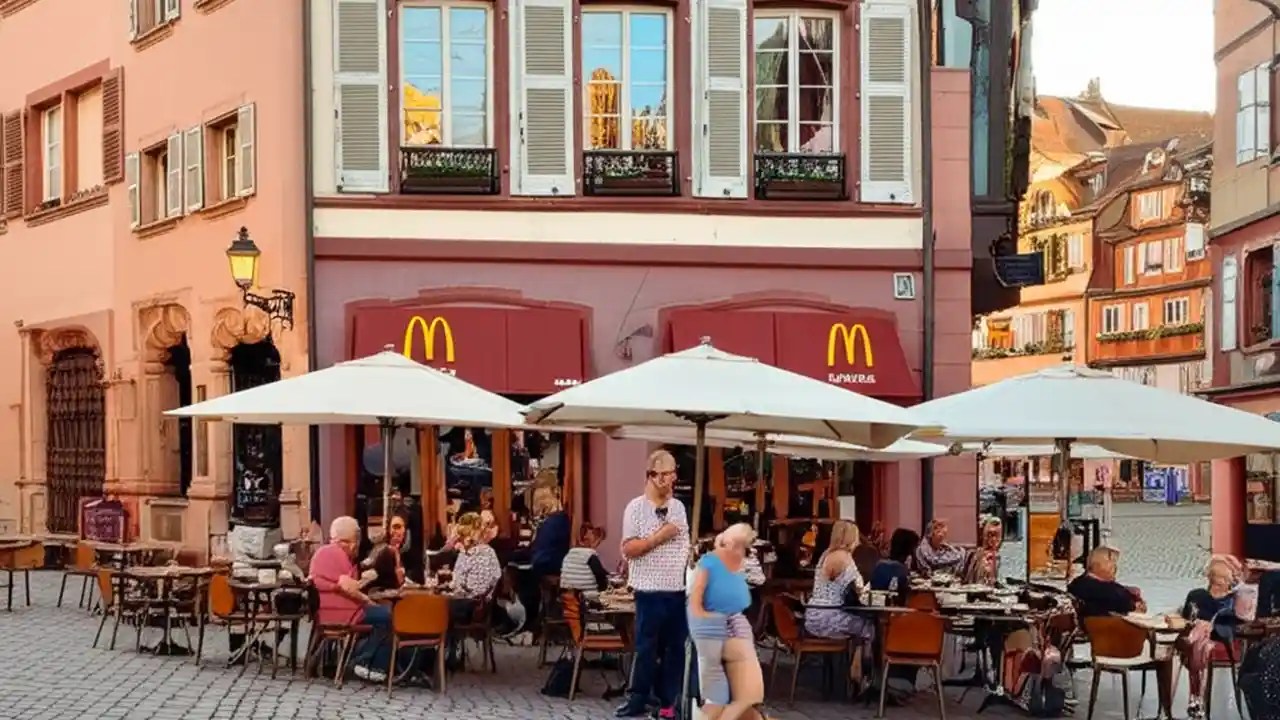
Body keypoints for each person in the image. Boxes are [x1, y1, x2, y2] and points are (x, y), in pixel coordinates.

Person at [616, 449, 691, 719]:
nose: (667, 480)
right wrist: (660, 537)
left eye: (671, 474)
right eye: (662, 474)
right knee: (646, 648)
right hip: (648, 590)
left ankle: (668, 701)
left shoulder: (679, 508)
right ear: (651, 475)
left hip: (676, 590)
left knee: (674, 650)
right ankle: (637, 699)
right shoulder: (635, 508)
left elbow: (683, 543)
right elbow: (629, 549)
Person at [688, 523, 765, 720]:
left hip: (709, 632)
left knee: (725, 698)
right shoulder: (739, 563)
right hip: (733, 631)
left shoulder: (705, 563)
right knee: (746, 698)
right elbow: (759, 580)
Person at [308, 516, 394, 682]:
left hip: (326, 611)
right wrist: (369, 601)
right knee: (387, 617)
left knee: (380, 615)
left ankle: (364, 661)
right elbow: (349, 588)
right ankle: (369, 664)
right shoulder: (336, 554)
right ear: (353, 540)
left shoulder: (322, 553)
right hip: (344, 613)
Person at [1180, 557, 1239, 718]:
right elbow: (1185, 615)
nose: (1216, 583)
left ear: (1229, 581)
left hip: (1219, 638)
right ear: (1209, 578)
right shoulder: (1198, 595)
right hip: (1196, 636)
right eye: (1214, 578)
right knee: (1194, 641)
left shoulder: (1233, 600)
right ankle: (1195, 699)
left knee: (1200, 643)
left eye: (1221, 580)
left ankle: (1197, 698)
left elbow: (1234, 622)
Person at [804, 520, 873, 642]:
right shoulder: (845, 557)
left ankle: (844, 659)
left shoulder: (825, 554)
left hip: (813, 615)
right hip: (830, 617)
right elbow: (858, 587)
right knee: (870, 627)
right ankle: (860, 661)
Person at [1067, 547, 1145, 618]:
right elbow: (1120, 600)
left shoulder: (1080, 582)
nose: (1115, 568)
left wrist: (1128, 591)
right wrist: (1135, 604)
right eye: (1111, 563)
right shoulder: (1095, 587)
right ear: (1097, 565)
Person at [870, 528, 921, 604]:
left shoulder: (880, 565)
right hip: (893, 610)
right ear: (909, 548)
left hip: (877, 606)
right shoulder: (898, 569)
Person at [561, 523, 609, 592]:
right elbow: (601, 575)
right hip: (586, 597)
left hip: (568, 598)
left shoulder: (569, 554)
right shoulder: (589, 555)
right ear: (586, 537)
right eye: (593, 535)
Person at [962, 516, 1005, 585]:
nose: (994, 540)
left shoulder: (996, 556)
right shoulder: (973, 554)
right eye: (990, 535)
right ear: (982, 535)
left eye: (998, 536)